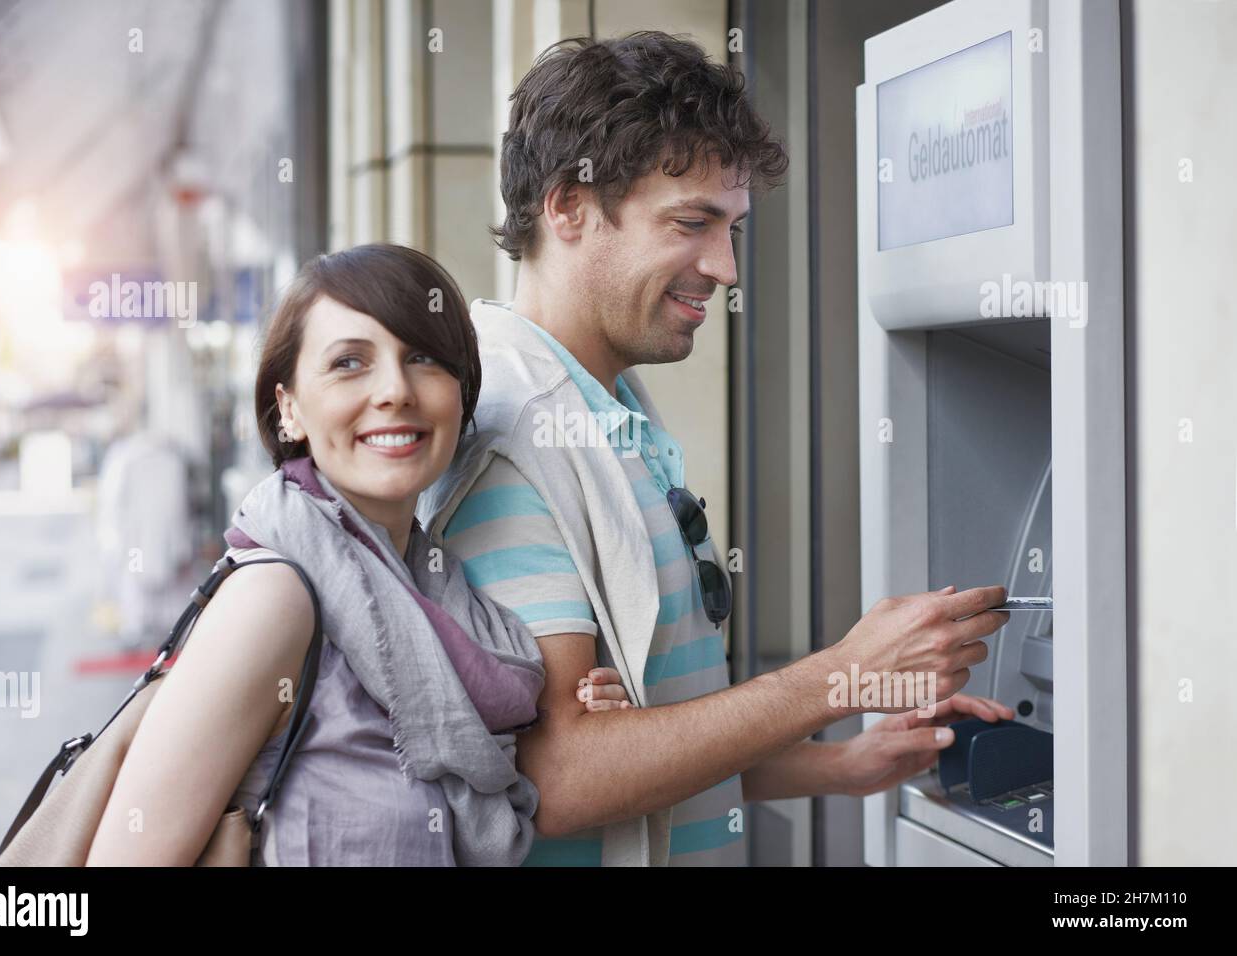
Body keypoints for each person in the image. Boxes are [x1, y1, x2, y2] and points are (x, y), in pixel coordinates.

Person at [417, 32, 1014, 867]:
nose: (726, 267)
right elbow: (557, 779)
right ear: (567, 207)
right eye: (692, 223)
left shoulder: (603, 402)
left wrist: (845, 764)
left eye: (731, 227)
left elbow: (658, 742)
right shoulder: (517, 433)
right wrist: (839, 673)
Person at [86, 244, 629, 866]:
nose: (395, 390)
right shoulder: (275, 603)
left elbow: (516, 771)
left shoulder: (444, 598)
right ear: (289, 408)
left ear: (461, 393)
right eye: (350, 363)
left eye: (423, 357)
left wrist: (586, 723)